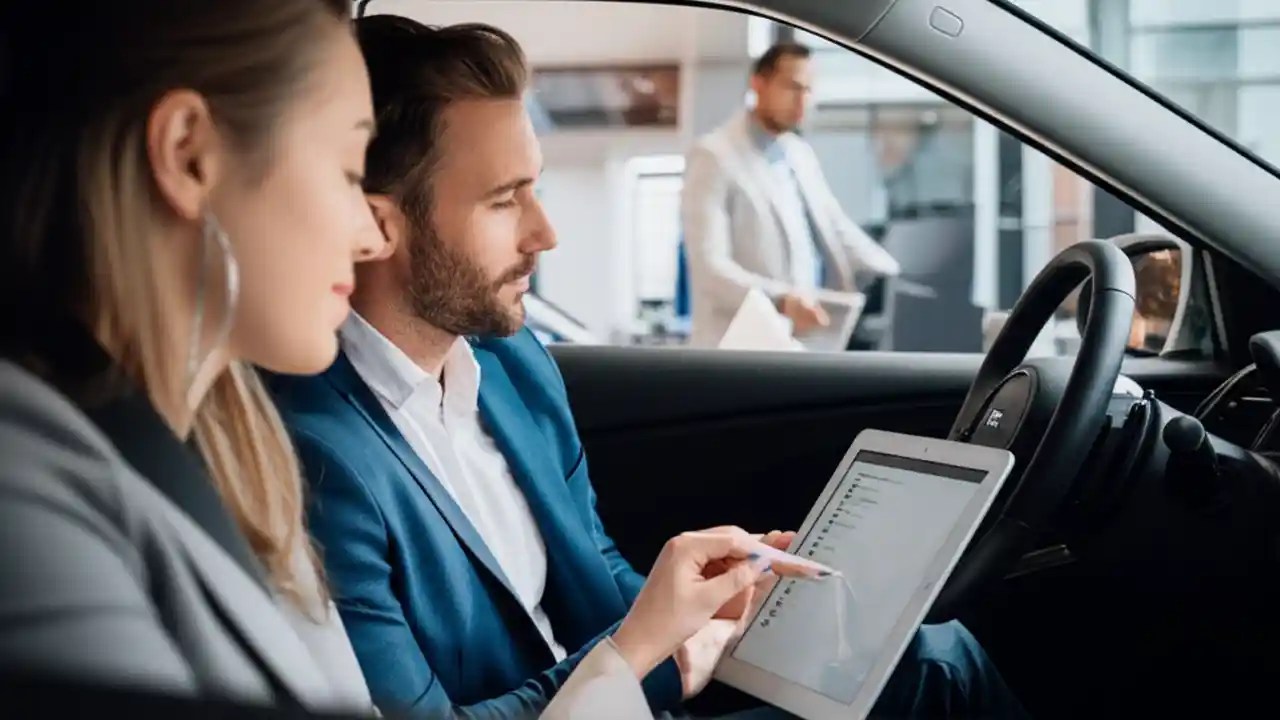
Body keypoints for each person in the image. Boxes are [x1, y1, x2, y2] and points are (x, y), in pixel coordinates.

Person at [0, 4, 780, 718]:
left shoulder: (248, 457)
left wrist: (693, 618)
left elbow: (591, 565)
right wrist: (642, 657)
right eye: (347, 175)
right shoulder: (48, 491)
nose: (368, 233)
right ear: (189, 157)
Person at [267, 17, 1028, 720]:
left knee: (933, 657)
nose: (547, 233)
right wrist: (654, 660)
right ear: (378, 224)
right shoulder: (315, 457)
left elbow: (590, 574)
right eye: (505, 202)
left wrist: (718, 606)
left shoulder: (510, 365)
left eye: (537, 188)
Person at [681, 42, 901, 349]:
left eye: (809, 90)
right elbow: (710, 267)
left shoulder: (799, 155)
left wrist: (891, 270)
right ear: (758, 83)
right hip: (733, 346)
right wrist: (781, 300)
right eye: (793, 87)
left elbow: (836, 226)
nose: (803, 101)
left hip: (793, 342)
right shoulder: (713, 156)